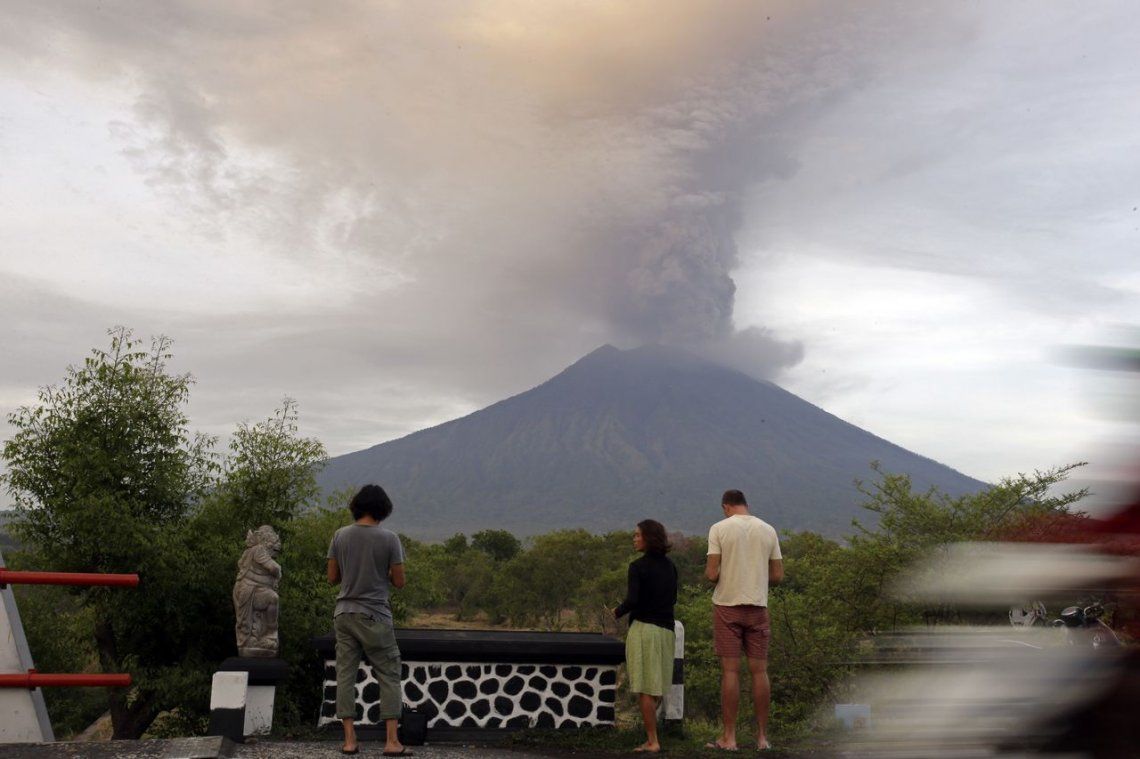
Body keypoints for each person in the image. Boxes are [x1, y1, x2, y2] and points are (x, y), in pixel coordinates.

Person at [327, 484, 411, 757]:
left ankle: (350, 740)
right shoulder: (390, 539)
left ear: (356, 506)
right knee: (388, 674)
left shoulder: (339, 536)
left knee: (345, 675)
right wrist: (381, 573)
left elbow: (333, 578)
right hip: (375, 614)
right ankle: (391, 741)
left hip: (344, 613)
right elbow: (399, 582)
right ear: (382, 509)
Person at [704, 489, 783, 751]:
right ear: (746, 505)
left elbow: (711, 573)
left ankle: (730, 738)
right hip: (758, 606)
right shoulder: (768, 529)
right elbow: (778, 575)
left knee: (730, 672)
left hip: (727, 606)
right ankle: (762, 738)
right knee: (760, 672)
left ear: (726, 506)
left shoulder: (719, 528)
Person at [613, 519, 679, 754]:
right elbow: (672, 599)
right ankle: (654, 736)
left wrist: (616, 612)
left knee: (644, 687)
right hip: (666, 631)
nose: (634, 538)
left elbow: (633, 600)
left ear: (648, 538)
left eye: (637, 535)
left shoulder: (637, 567)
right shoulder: (671, 566)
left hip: (644, 631)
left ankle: (652, 740)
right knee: (657, 686)